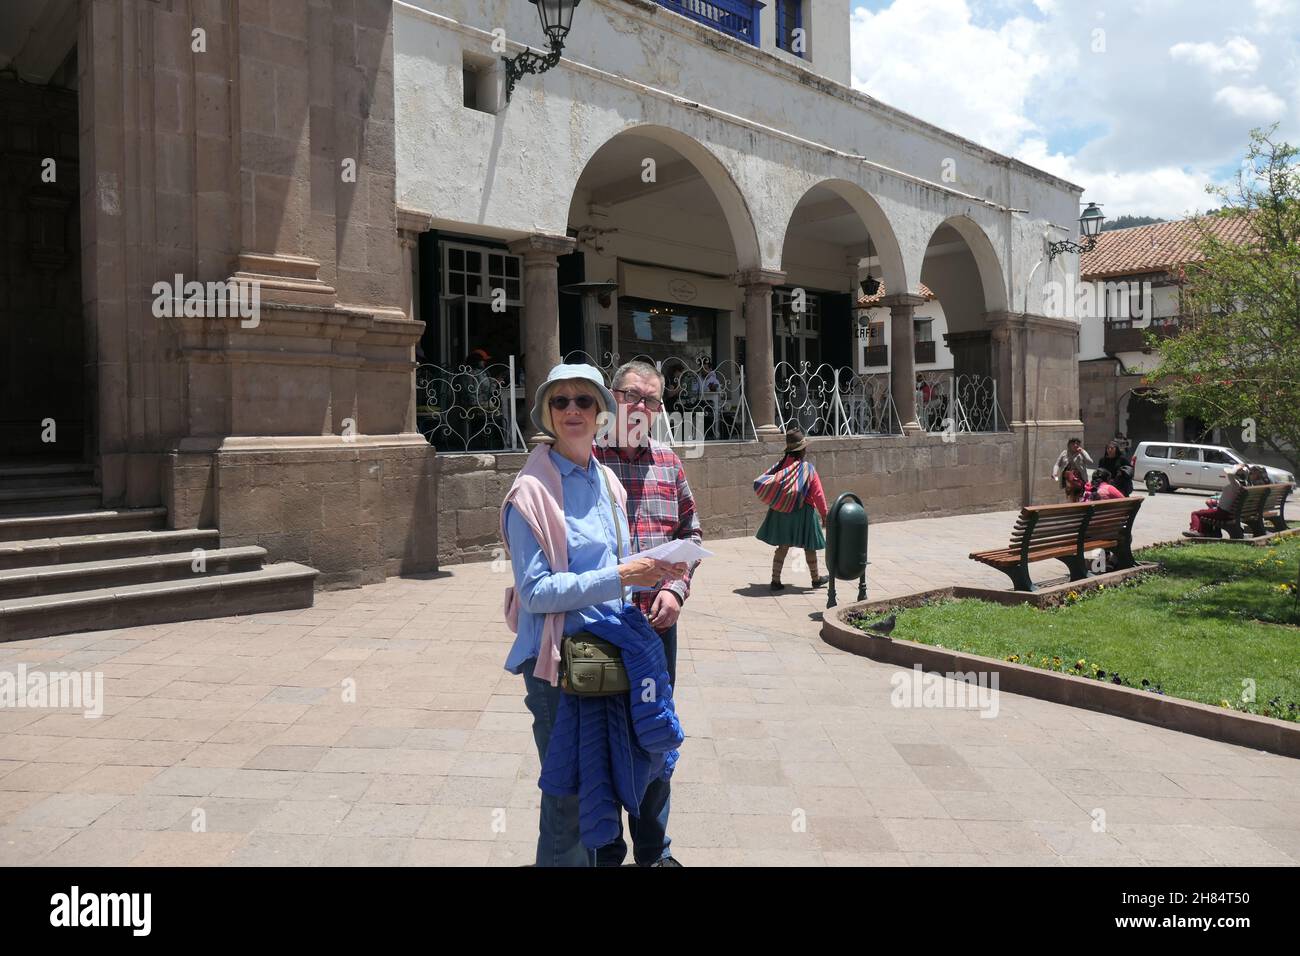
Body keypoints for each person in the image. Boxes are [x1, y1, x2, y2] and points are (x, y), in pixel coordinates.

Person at [499, 363, 684, 867]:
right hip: (559, 670)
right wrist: (624, 577)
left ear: (601, 411)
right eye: (561, 402)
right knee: (567, 808)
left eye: (584, 401)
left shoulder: (604, 481)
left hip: (605, 663)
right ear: (547, 413)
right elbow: (535, 592)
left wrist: (662, 584)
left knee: (601, 790)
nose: (573, 411)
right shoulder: (531, 492)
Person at [592, 360, 701, 868]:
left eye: (652, 400)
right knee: (599, 738)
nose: (641, 406)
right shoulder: (586, 460)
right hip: (599, 630)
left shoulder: (669, 462)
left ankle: (654, 853)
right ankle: (606, 851)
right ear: (612, 397)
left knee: (654, 735)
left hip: (656, 630)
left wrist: (676, 590)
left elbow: (691, 534)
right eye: (632, 395)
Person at [756, 427, 829, 590]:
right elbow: (818, 493)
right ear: (802, 450)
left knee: (782, 546)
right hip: (804, 512)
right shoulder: (807, 469)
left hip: (781, 512)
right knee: (809, 546)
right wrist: (825, 514)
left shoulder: (781, 466)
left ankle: (775, 580)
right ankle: (815, 578)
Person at [1185, 466, 1250, 537]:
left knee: (1195, 513)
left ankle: (1194, 530)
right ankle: (1209, 532)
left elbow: (1230, 474)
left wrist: (1236, 468)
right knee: (1206, 511)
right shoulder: (1243, 486)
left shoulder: (1235, 485)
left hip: (1222, 513)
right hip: (1228, 513)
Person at [1052, 437, 1093, 503]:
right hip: (1068, 480)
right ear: (1069, 445)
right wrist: (1054, 472)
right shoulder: (1064, 453)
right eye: (1073, 443)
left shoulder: (1082, 452)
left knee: (1080, 497)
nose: (1075, 445)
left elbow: (1090, 462)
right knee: (1070, 497)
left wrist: (1082, 452)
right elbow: (1057, 464)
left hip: (1080, 479)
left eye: (1077, 444)